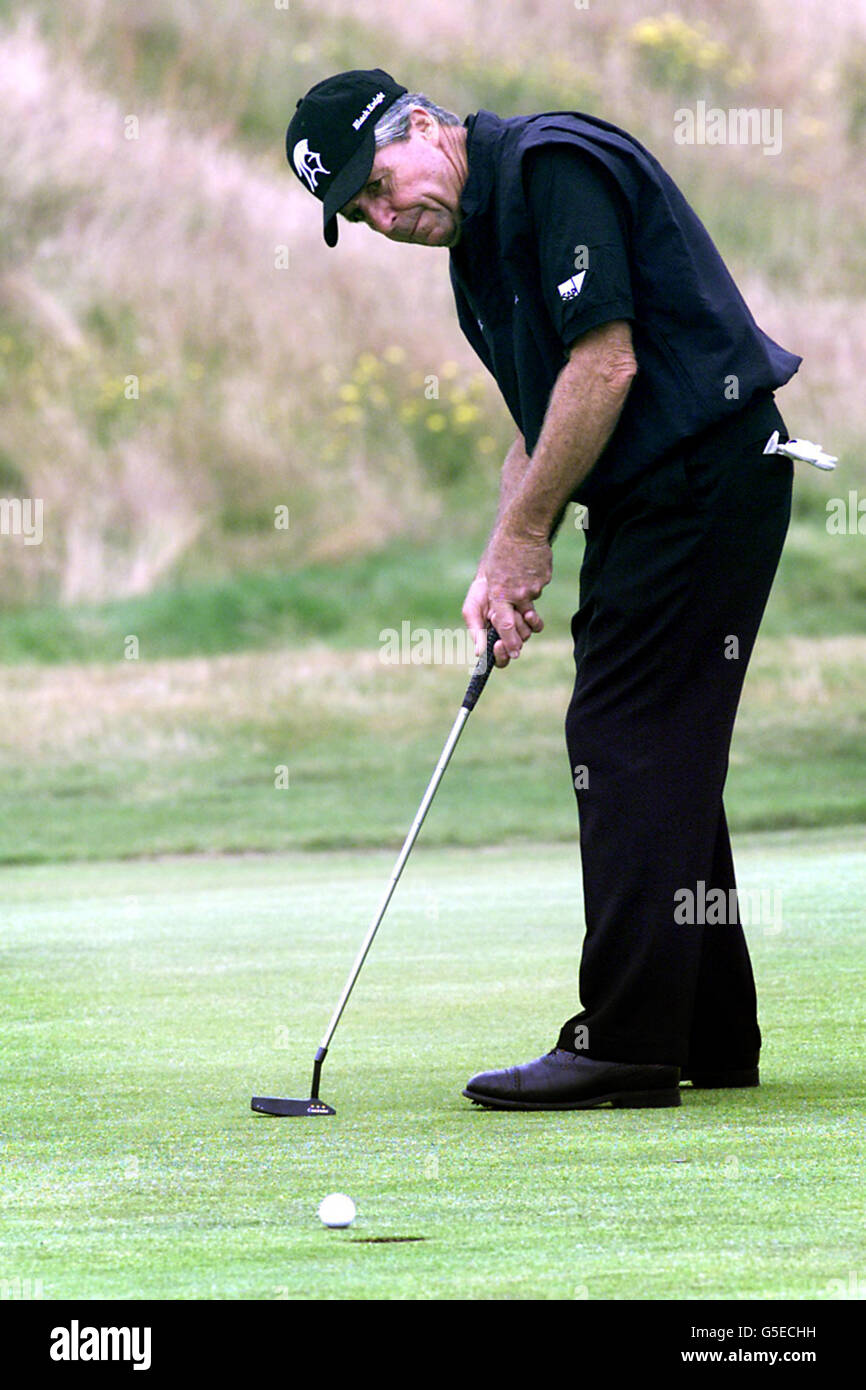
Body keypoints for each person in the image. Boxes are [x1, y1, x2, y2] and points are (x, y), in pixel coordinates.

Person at [286, 68, 800, 1110]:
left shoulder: (550, 166)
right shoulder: (473, 241)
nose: (385, 216)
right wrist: (501, 552)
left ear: (421, 126)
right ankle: (704, 1025)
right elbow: (544, 407)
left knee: (623, 738)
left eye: (378, 185)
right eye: (358, 212)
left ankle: (626, 1039)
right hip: (656, 494)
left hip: (702, 475)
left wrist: (529, 534)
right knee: (657, 739)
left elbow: (603, 369)